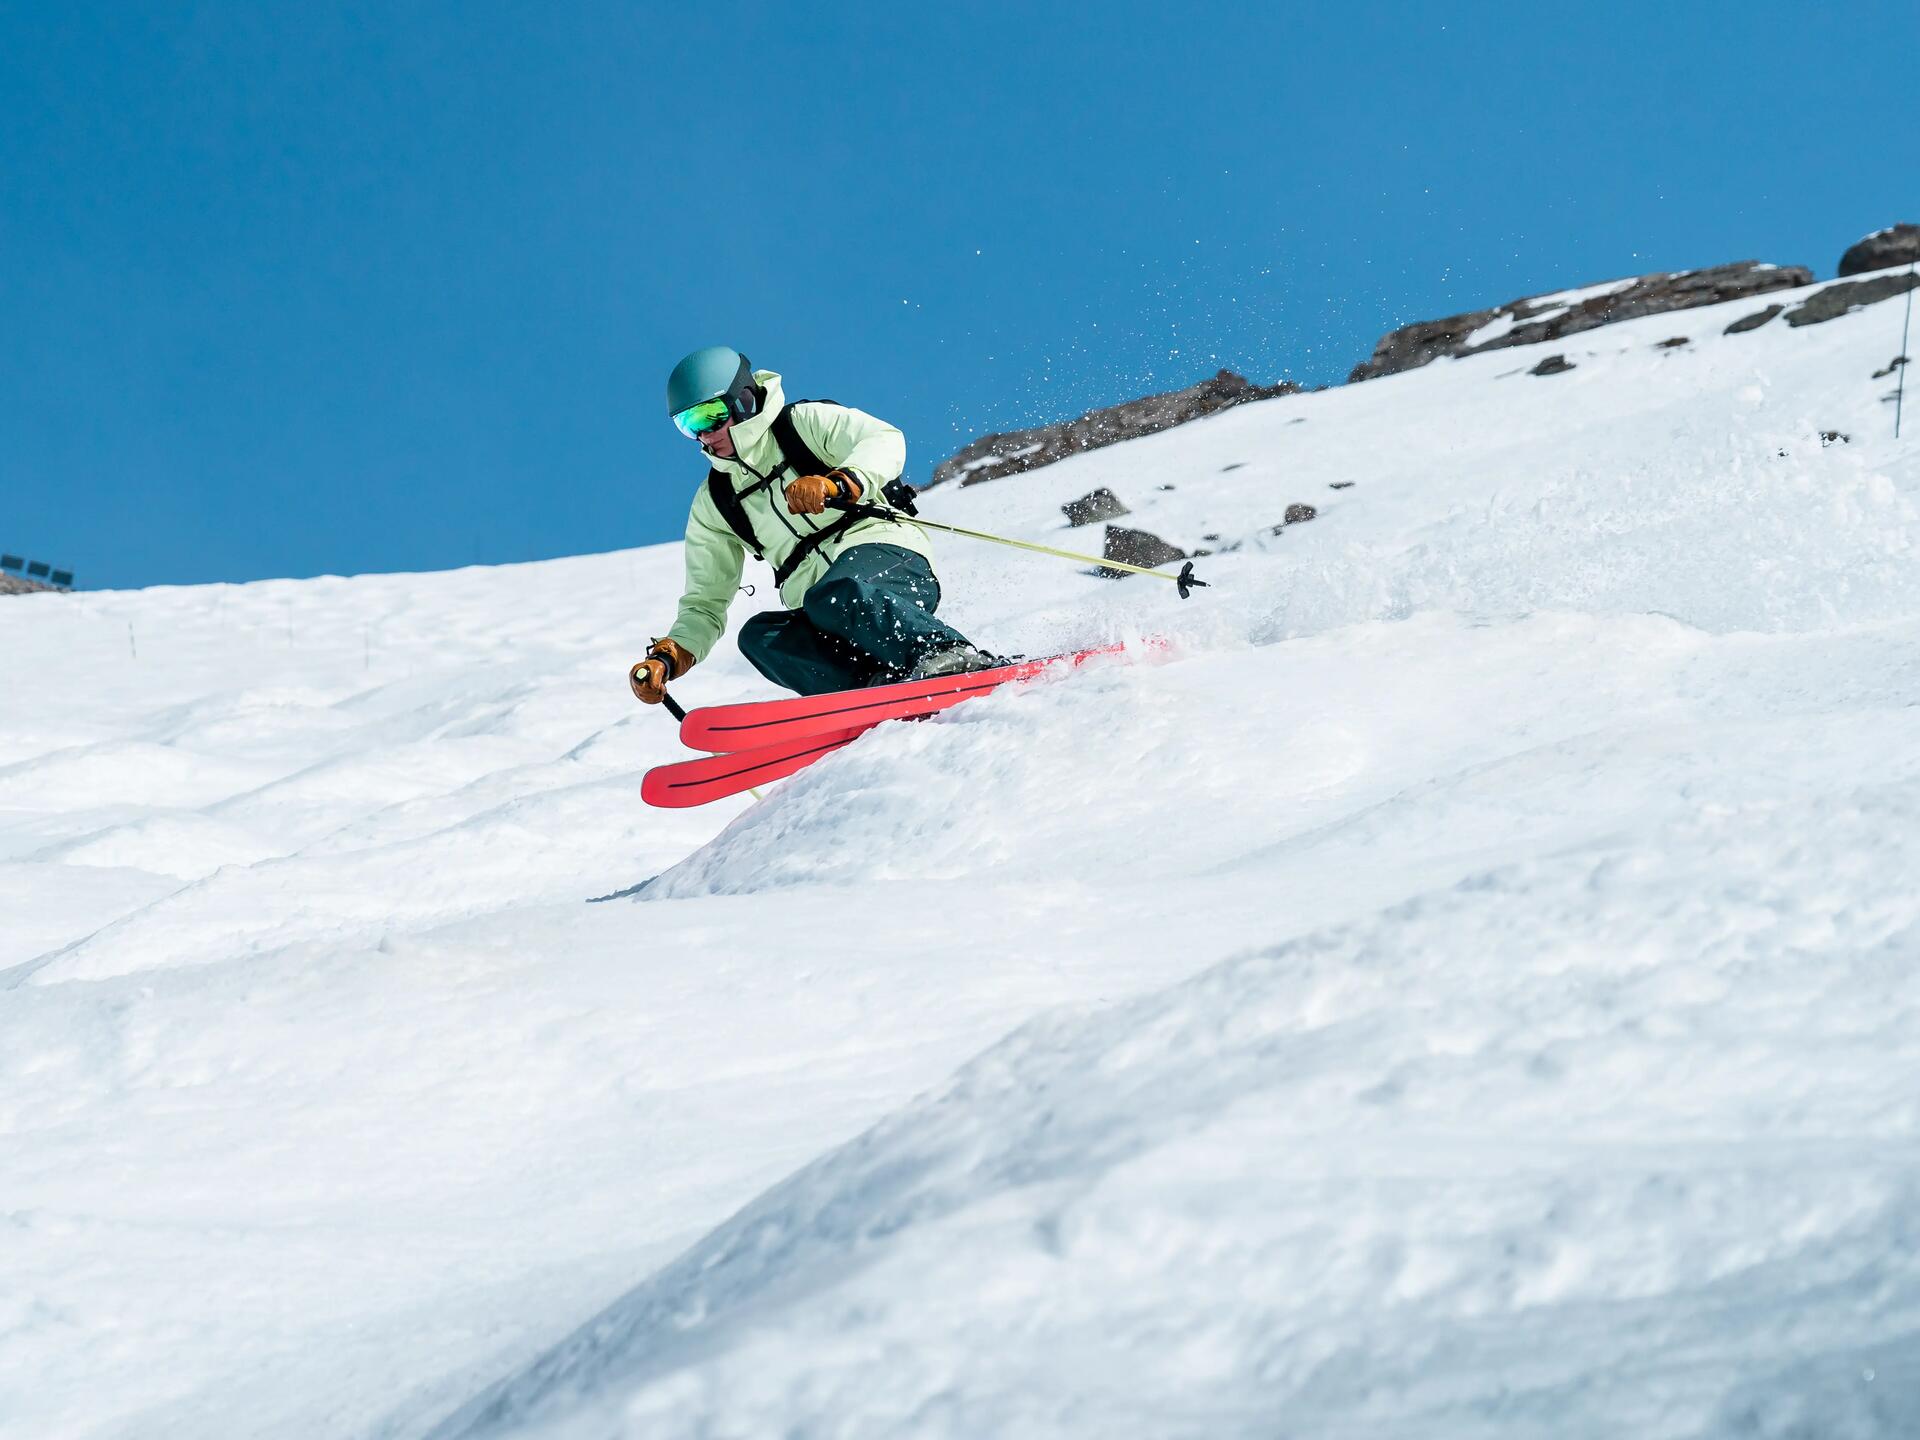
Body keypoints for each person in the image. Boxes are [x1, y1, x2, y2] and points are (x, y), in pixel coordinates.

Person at [630, 346, 996, 706]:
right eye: (688, 424)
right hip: (827, 610)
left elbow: (883, 439)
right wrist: (671, 654)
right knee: (759, 637)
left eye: (710, 414)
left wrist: (840, 482)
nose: (704, 434)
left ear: (742, 398)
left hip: (889, 561)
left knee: (831, 594)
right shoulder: (716, 501)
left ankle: (947, 654)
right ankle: (872, 690)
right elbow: (706, 600)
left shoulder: (802, 424)